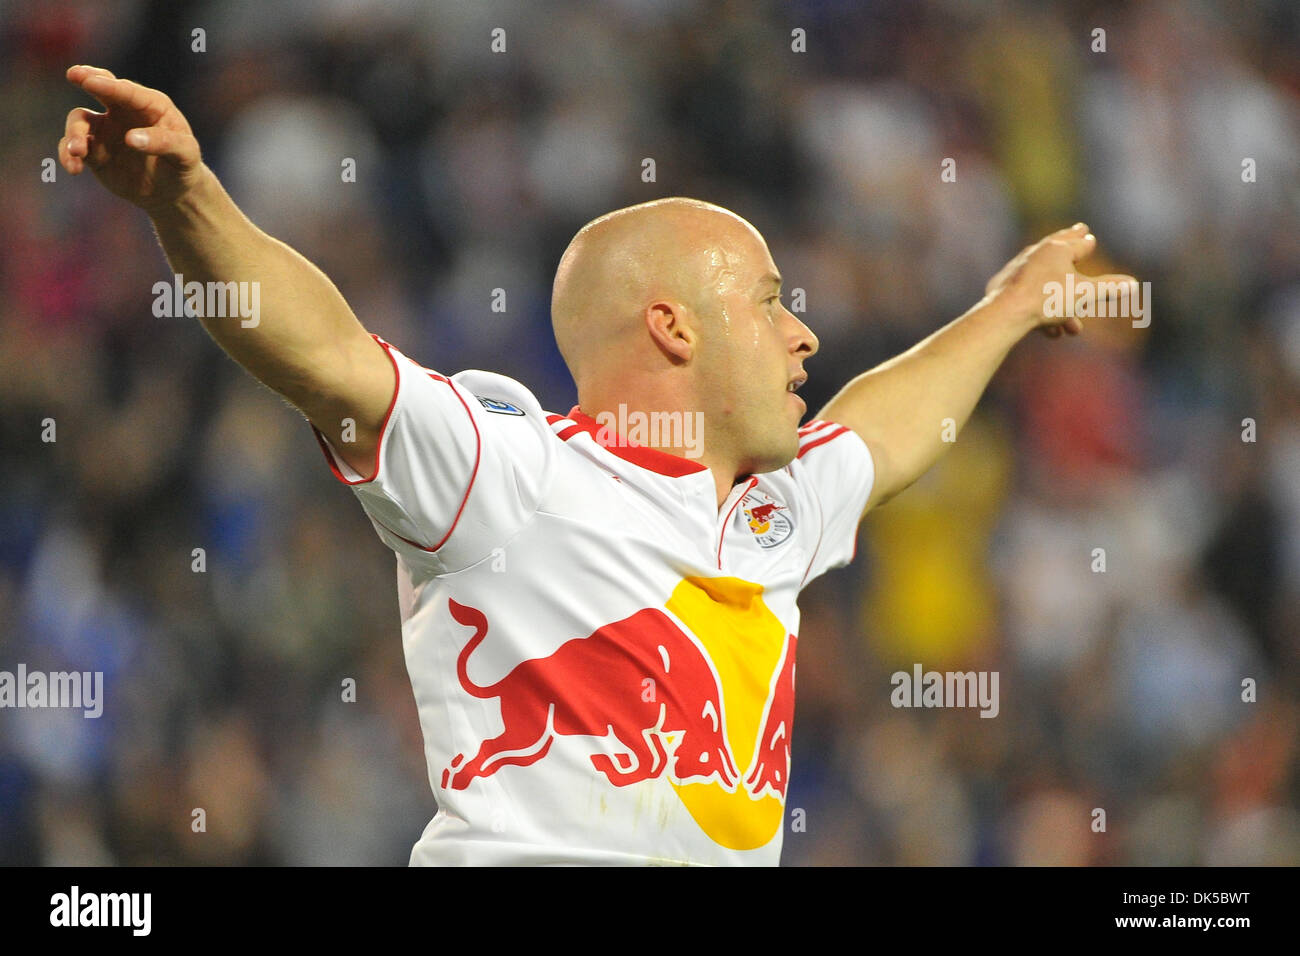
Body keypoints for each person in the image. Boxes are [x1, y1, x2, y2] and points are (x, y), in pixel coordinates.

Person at [57, 64, 1137, 865]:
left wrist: (1013, 305)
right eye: (769, 302)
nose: (803, 336)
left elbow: (889, 431)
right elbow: (332, 359)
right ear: (673, 325)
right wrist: (183, 200)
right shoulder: (511, 474)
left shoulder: (771, 510)